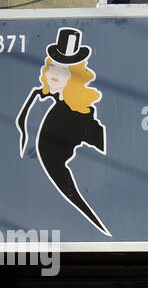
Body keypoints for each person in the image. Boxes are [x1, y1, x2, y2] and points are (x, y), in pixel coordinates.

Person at [16, 27, 110, 235]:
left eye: (65, 70)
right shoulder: (37, 97)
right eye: (54, 66)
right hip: (26, 188)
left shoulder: (79, 112)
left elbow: (104, 147)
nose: (56, 74)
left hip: (59, 192)